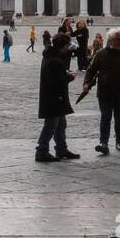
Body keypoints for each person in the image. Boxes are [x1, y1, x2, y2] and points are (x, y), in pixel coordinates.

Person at [80, 26, 120, 155]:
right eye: (117, 39)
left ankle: (119, 141)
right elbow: (91, 70)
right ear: (111, 40)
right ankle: (103, 143)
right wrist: (86, 83)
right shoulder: (101, 54)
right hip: (104, 90)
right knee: (105, 117)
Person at [35, 33, 80, 163]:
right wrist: (70, 77)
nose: (68, 47)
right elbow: (56, 80)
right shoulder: (54, 60)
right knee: (51, 126)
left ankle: (61, 149)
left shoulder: (51, 56)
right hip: (54, 98)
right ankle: (41, 151)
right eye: (67, 45)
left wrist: (64, 73)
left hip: (54, 97)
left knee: (60, 125)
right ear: (64, 45)